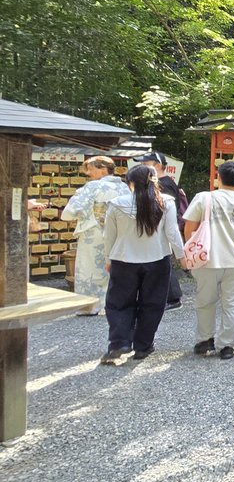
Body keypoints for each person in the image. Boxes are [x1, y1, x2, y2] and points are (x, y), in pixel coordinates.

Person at [101, 164, 184, 364]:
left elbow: (109, 236)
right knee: (153, 304)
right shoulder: (166, 202)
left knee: (118, 303)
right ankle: (143, 345)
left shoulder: (116, 204)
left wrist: (107, 258)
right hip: (157, 259)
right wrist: (182, 256)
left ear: (129, 182)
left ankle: (119, 342)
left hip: (123, 259)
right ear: (155, 181)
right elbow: (172, 233)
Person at [183, 161, 234, 360]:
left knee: (205, 301)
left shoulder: (203, 198)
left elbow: (188, 228)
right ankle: (227, 345)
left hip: (206, 259)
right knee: (233, 304)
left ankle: (204, 340)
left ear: (218, 177)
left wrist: (192, 248)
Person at [60, 156, 125, 311]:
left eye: (91, 169)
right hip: (119, 233)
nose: (88, 173)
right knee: (114, 267)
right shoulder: (124, 187)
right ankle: (112, 305)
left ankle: (90, 306)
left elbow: (69, 212)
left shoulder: (92, 187)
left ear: (103, 169)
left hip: (94, 232)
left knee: (89, 268)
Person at [135, 151, 189, 310]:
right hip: (158, 226)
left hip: (162, 226)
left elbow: (165, 209)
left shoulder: (164, 184)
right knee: (160, 262)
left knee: (163, 261)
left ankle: (173, 298)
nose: (142, 167)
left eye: (145, 164)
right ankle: (167, 297)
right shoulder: (163, 182)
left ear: (157, 165)